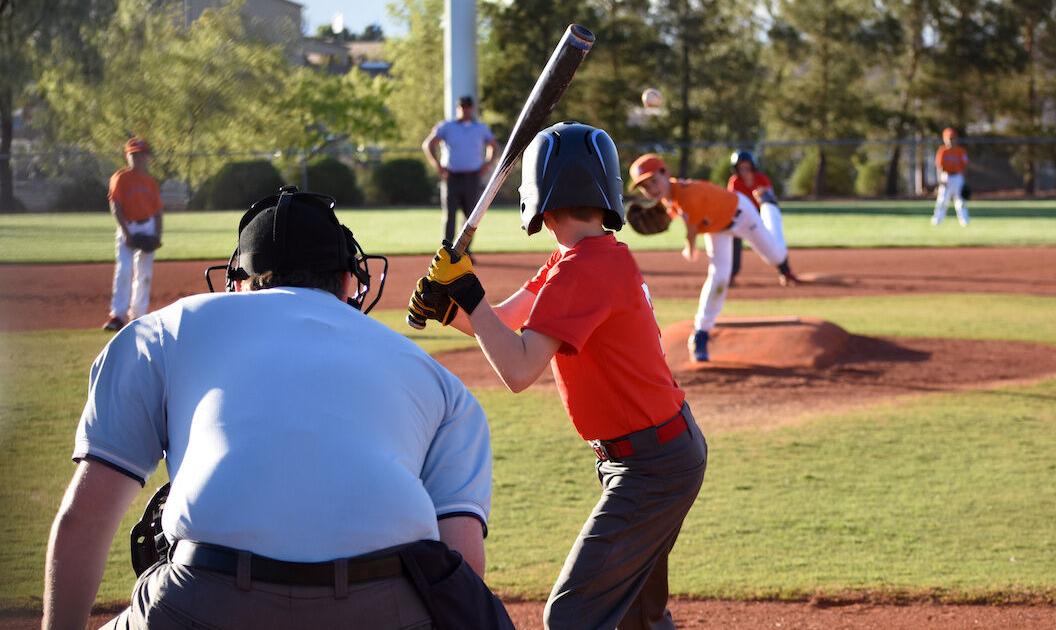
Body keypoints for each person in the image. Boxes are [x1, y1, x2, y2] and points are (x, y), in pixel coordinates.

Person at [44, 186, 511, 630]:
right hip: (388, 607)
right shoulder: (439, 382)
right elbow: (459, 570)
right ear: (351, 280)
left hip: (204, 600)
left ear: (237, 282)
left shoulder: (163, 331)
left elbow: (85, 518)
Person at [408, 122, 707, 630]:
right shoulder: (579, 260)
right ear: (606, 193)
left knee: (572, 616)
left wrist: (470, 294)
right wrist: (451, 309)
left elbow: (519, 369)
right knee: (638, 616)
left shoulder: (581, 270)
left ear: (540, 204)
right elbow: (503, 324)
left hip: (651, 466)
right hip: (658, 454)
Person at [629, 153, 802, 362]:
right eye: (645, 187)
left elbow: (691, 231)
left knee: (776, 256)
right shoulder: (671, 198)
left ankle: (769, 206)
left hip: (741, 214)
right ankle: (701, 333)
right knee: (719, 276)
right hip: (716, 228)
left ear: (666, 173)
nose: (651, 189)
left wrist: (689, 249)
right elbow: (677, 212)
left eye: (654, 181)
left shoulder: (686, 195)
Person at [422, 95, 500, 256]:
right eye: (462, 107)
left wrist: (487, 163)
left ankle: (464, 251)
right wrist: (437, 165)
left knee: (471, 216)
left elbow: (494, 146)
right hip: (452, 177)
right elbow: (428, 144)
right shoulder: (447, 127)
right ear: (458, 108)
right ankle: (447, 251)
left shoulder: (480, 128)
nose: (465, 110)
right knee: (450, 215)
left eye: (468, 107)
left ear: (472, 108)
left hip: (472, 177)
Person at [103, 137, 163, 331]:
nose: (138, 158)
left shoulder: (150, 182)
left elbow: (157, 211)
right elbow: (116, 206)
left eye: (141, 155)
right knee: (124, 270)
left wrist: (157, 234)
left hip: (147, 226)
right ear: (127, 156)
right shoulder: (120, 178)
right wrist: (127, 233)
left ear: (147, 157)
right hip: (128, 226)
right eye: (134, 155)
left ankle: (138, 315)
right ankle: (117, 315)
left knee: (144, 274)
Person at [725, 150, 778, 287]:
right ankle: (731, 276)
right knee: (734, 238)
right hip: (742, 218)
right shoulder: (735, 182)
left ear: (752, 166)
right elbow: (732, 204)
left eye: (746, 166)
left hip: (760, 216)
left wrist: (763, 197)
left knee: (773, 240)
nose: (744, 170)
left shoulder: (761, 179)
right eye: (740, 167)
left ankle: (786, 272)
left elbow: (772, 201)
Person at [932, 127, 970, 226]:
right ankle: (937, 220)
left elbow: (965, 166)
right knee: (942, 200)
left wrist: (964, 180)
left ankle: (964, 221)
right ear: (945, 139)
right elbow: (939, 167)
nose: (951, 141)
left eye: (953, 138)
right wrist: (940, 179)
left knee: (960, 200)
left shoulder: (961, 151)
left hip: (958, 177)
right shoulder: (942, 151)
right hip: (946, 176)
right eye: (949, 138)